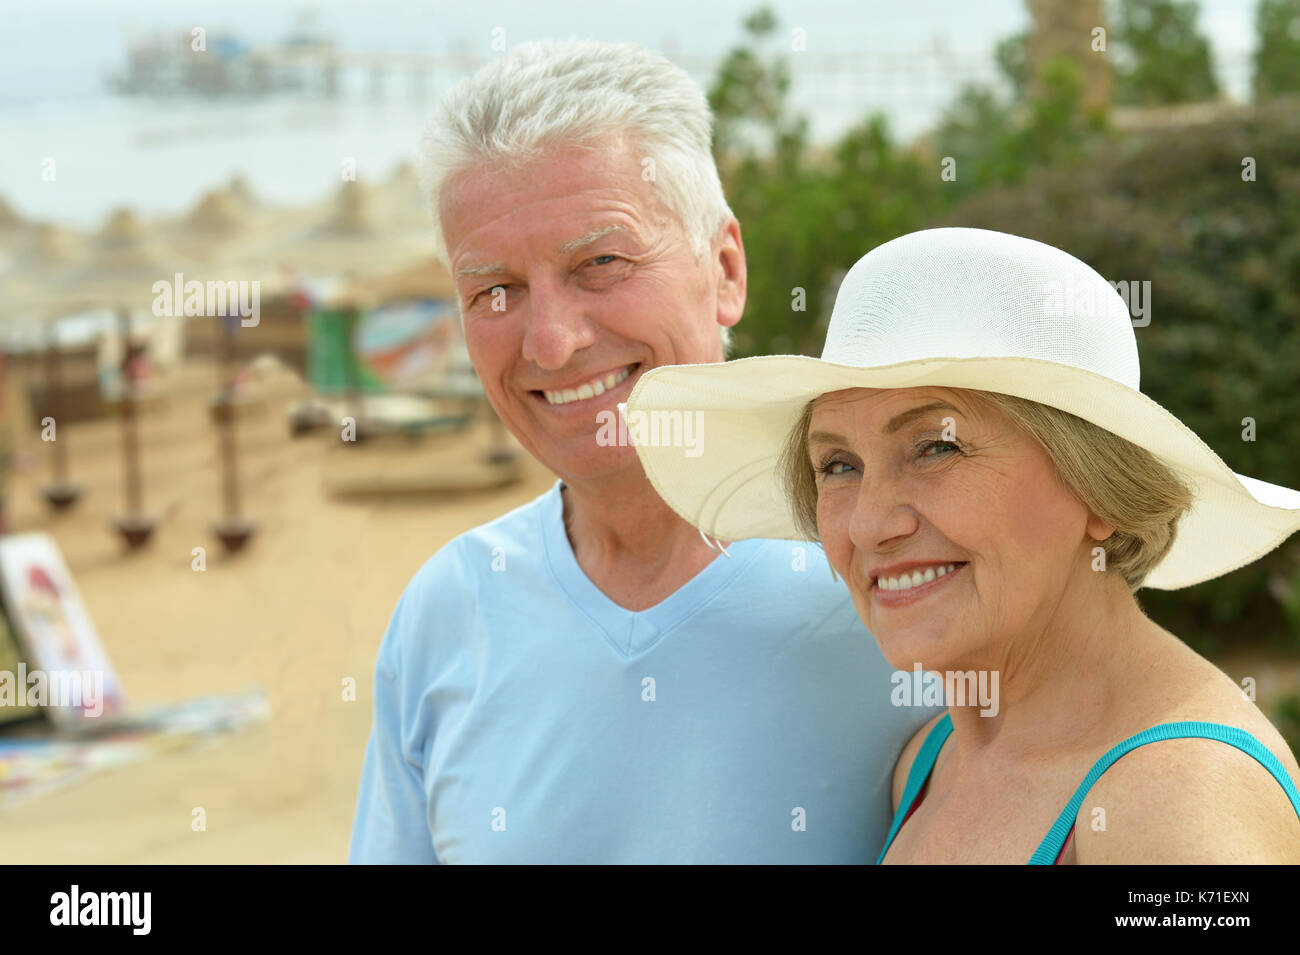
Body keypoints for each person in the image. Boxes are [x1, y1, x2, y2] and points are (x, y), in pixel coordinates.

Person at [346, 39, 940, 864]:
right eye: (495, 291)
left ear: (725, 269)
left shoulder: (896, 580)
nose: (551, 344)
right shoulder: (446, 613)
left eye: (601, 263)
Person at [625, 226, 1300, 863]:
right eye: (838, 464)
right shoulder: (932, 759)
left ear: (1096, 489)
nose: (867, 525)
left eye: (937, 447)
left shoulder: (1178, 811)